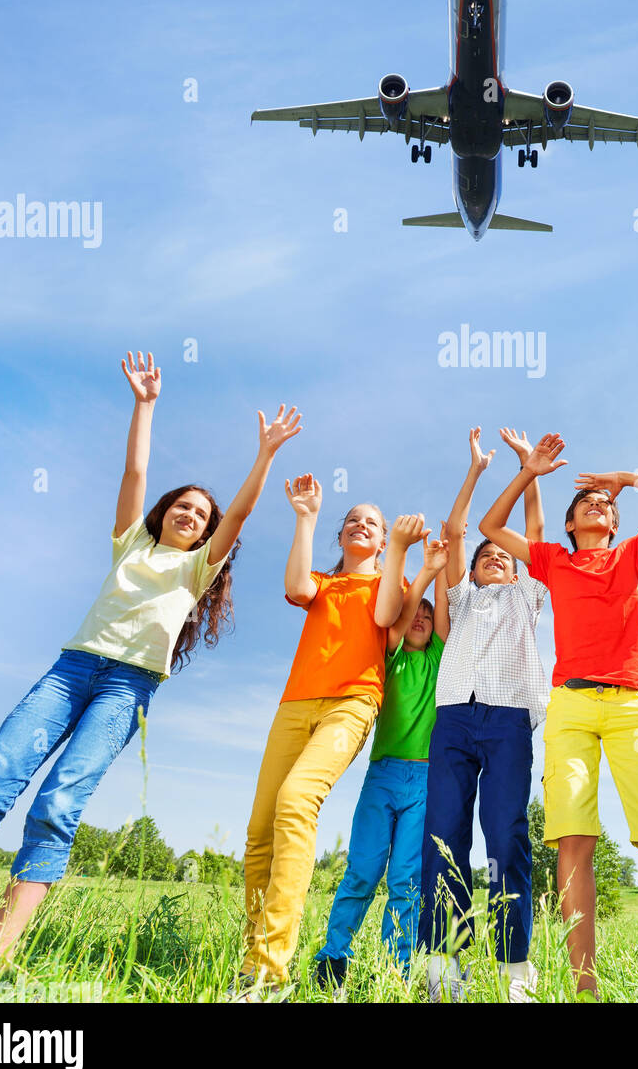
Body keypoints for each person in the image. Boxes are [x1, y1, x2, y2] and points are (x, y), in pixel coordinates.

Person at [0, 350, 299, 960]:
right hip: (71, 669)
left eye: (201, 515)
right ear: (163, 513)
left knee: (58, 805)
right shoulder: (130, 542)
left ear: (208, 535)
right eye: (182, 505)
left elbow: (241, 511)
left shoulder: (196, 571)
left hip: (127, 688)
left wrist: (265, 455)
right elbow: (135, 472)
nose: (190, 514)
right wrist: (145, 405)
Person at [479, 433, 638, 1001]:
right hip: (571, 706)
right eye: (585, 505)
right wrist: (529, 472)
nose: (596, 506)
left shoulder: (632, 555)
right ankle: (586, 991)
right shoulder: (553, 560)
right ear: (571, 525)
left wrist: (627, 479)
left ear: (614, 521)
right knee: (573, 838)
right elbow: (491, 526)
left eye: (604, 504)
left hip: (630, 705)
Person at [234, 478, 422, 1001]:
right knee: (260, 831)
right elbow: (297, 587)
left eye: (374, 522)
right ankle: (250, 962)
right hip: (294, 705)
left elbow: (386, 619)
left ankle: (271, 972)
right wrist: (306, 516)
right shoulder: (321, 583)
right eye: (354, 519)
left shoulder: (391, 584)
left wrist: (403, 553)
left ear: (383, 541)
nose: (362, 524)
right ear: (340, 535)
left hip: (353, 705)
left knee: (297, 801)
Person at [419, 427, 550, 1004]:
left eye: (505, 556)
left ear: (519, 570)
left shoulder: (528, 596)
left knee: (505, 835)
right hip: (453, 720)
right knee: (444, 834)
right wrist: (474, 470)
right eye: (486, 557)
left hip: (509, 720)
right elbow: (453, 533)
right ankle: (445, 963)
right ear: (470, 571)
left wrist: (532, 473)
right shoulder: (464, 598)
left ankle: (514, 968)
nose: (496, 559)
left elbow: (536, 536)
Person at [313, 528, 449, 989]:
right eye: (417, 614)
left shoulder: (437, 660)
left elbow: (440, 611)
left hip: (425, 780)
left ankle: (395, 970)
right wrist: (418, 587)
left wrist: (441, 563)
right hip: (382, 776)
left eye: (428, 617)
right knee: (363, 870)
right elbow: (400, 618)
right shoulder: (389, 658)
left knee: (406, 879)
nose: (421, 619)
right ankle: (334, 957)